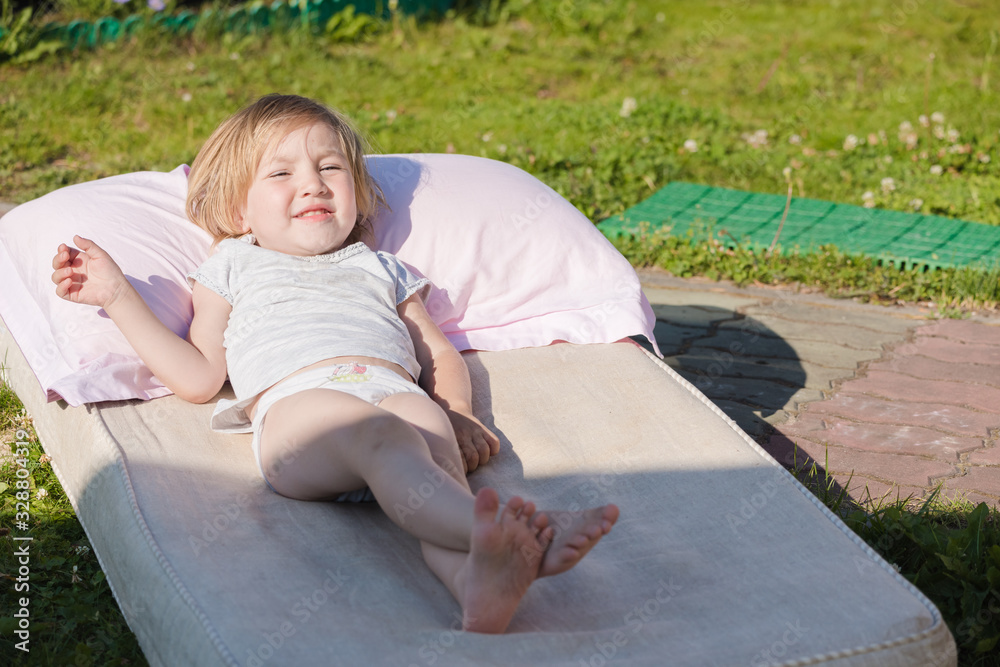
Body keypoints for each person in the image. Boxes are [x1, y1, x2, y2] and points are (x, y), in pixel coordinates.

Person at [51, 94, 618, 634]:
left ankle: (477, 584)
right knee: (378, 433)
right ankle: (504, 536)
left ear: (358, 192)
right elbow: (199, 377)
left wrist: (459, 413)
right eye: (281, 174)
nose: (313, 184)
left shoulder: (381, 267)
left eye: (331, 168)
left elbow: (436, 350)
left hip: (395, 392)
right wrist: (117, 295)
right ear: (235, 210)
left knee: (434, 462)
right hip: (302, 410)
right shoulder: (231, 266)